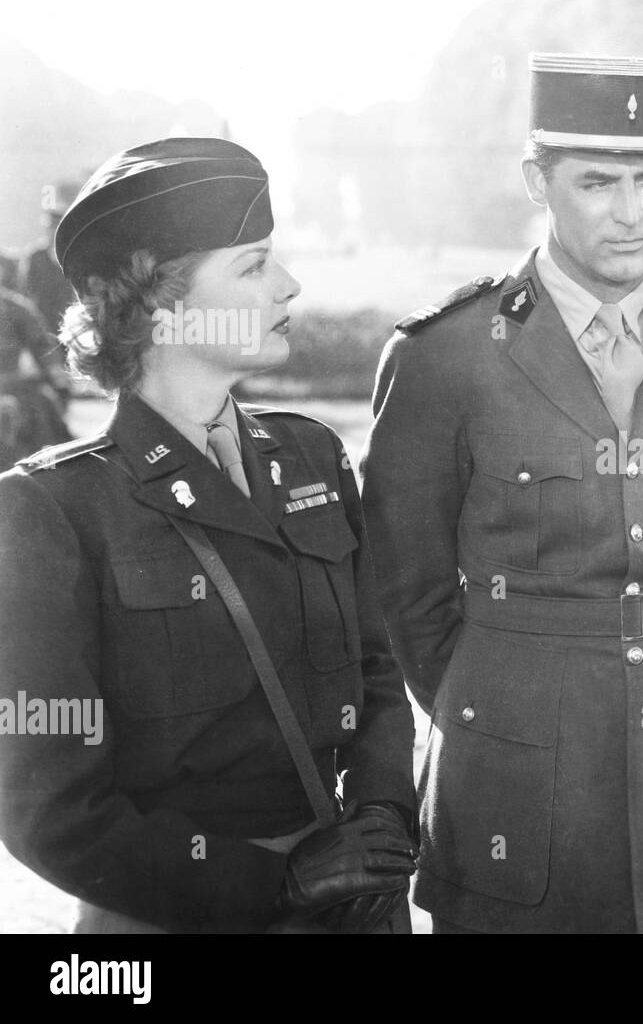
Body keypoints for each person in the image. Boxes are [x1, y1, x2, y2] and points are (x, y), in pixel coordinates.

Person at [363, 53, 643, 934]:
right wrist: (501, 700)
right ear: (536, 181)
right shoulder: (447, 355)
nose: (633, 213)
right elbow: (408, 586)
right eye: (597, 182)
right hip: (513, 779)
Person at [0, 138, 418, 934]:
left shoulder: (313, 455)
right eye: (254, 265)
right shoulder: (51, 509)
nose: (288, 283)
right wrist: (274, 880)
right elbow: (47, 807)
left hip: (349, 907)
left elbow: (376, 670)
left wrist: (382, 815)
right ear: (162, 302)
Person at [0, 284, 71, 470]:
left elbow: (41, 345)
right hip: (11, 389)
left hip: (15, 387)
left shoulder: (14, 307)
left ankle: (50, 478)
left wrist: (58, 380)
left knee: (46, 436)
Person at [17, 181, 80, 337]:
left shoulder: (72, 256)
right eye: (51, 227)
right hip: (43, 328)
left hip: (70, 326)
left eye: (57, 227)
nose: (53, 232)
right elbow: (26, 293)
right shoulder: (35, 256)